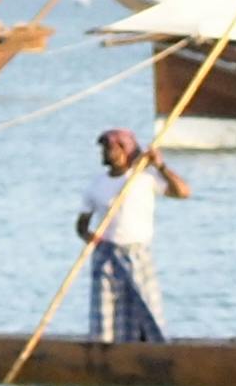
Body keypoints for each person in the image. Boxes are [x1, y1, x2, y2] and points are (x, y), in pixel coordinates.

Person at [77, 123, 188, 343]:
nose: (104, 153)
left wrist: (161, 166)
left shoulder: (144, 178)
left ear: (124, 151)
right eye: (103, 148)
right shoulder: (96, 185)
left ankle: (155, 349)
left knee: (148, 310)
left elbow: (182, 192)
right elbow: (81, 225)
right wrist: (90, 238)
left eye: (109, 148)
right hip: (106, 254)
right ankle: (105, 350)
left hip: (136, 252)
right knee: (105, 318)